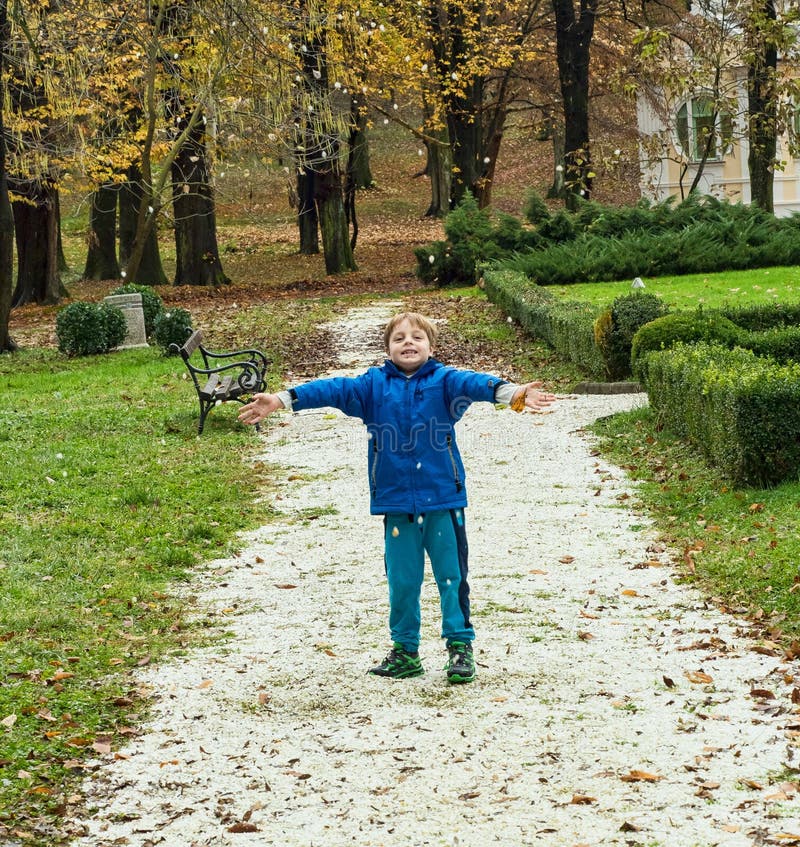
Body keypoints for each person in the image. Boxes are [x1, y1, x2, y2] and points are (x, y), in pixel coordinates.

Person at [238, 312, 556, 684]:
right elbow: (331, 389)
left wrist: (514, 393)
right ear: (388, 348)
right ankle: (405, 651)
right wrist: (281, 400)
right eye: (399, 338)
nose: (408, 343)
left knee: (451, 577)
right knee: (403, 581)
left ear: (431, 347)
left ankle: (460, 647)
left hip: (443, 501)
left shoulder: (446, 382)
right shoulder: (371, 387)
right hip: (396, 504)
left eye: (417, 337)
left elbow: (477, 384)